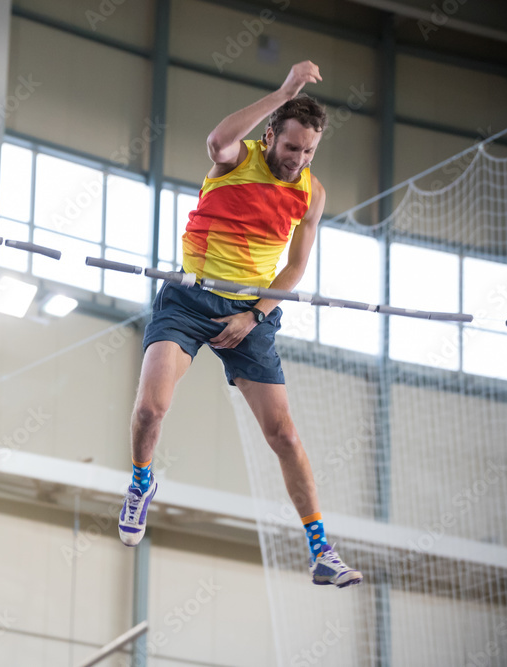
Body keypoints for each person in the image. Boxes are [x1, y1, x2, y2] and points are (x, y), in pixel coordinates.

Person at [118, 61, 362, 588]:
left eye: (309, 152)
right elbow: (217, 137)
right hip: (188, 300)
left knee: (285, 435)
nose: (298, 160)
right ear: (271, 135)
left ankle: (321, 550)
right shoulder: (235, 159)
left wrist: (255, 315)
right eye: (291, 148)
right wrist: (283, 90)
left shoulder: (311, 194)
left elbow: (295, 267)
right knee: (148, 410)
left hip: (250, 314)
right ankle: (141, 483)